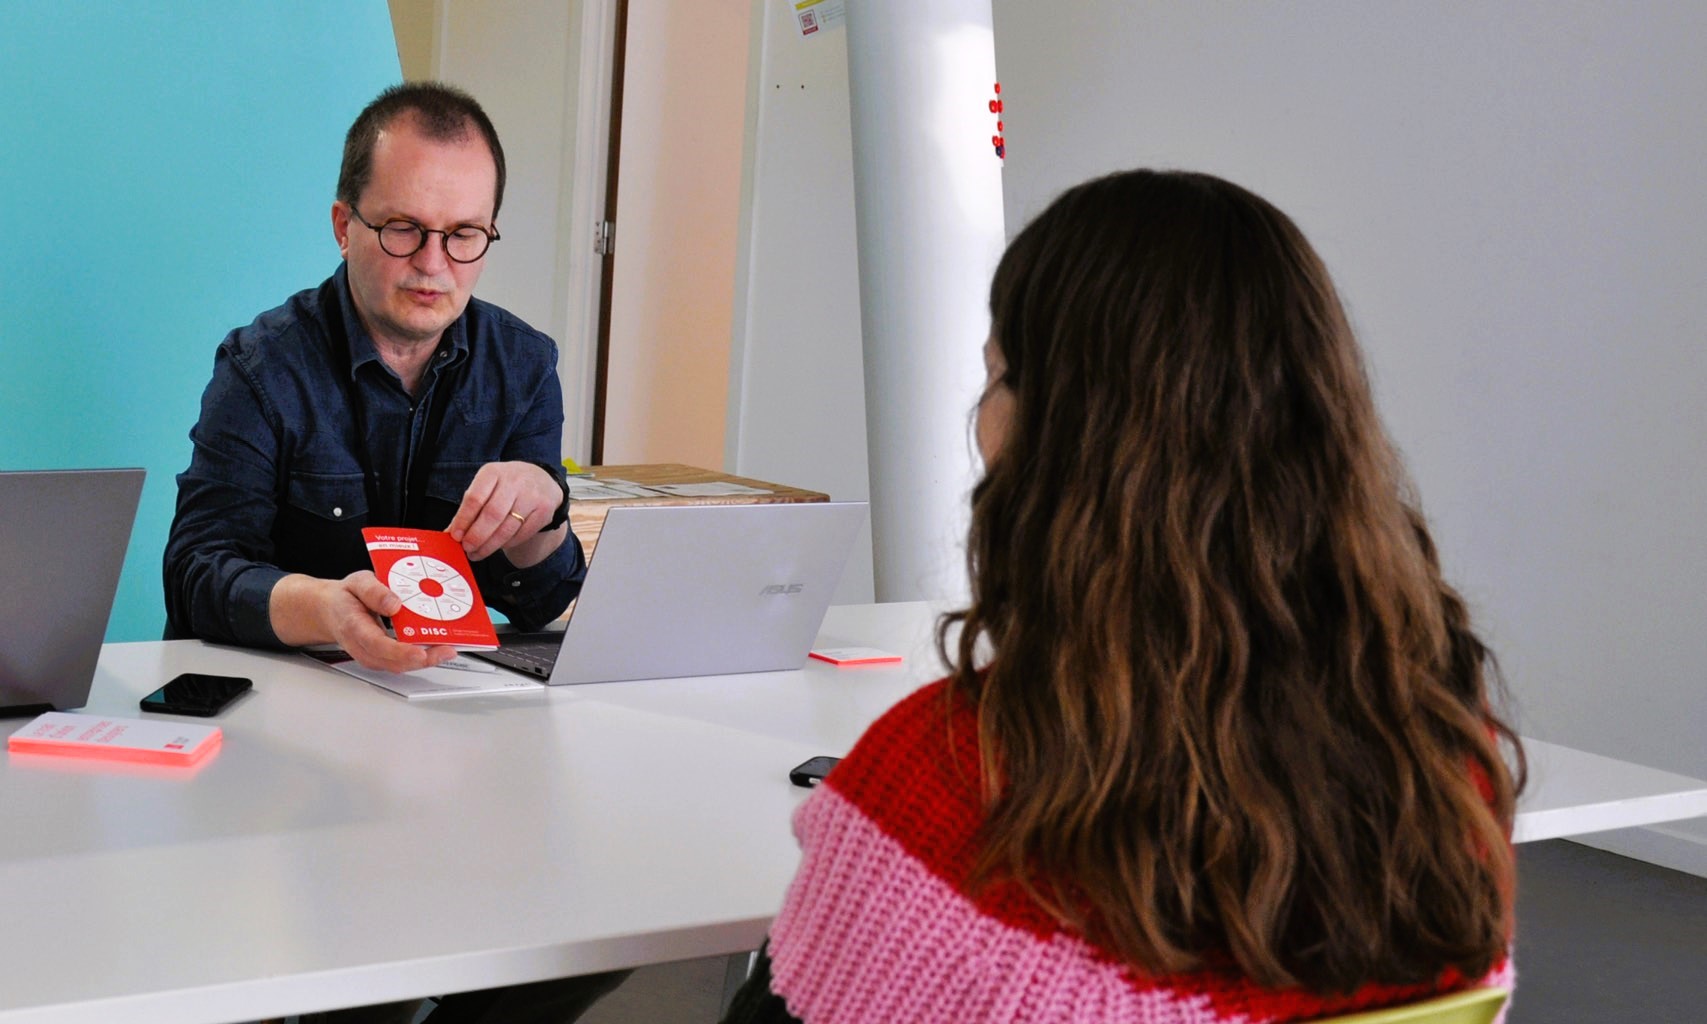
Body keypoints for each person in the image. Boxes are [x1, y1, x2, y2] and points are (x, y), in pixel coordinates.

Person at [722, 170, 1525, 1023]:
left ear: (1063, 443)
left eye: (998, 379)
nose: (981, 416)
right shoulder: (1442, 766)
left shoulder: (947, 778)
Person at [164, 83, 624, 1023]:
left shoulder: (522, 364)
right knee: (361, 985)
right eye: (404, 229)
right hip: (283, 751)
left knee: (584, 937)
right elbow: (199, 569)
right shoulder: (261, 366)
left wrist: (543, 515)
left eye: (465, 235)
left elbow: (539, 604)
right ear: (343, 224)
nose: (435, 264)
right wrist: (324, 608)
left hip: (456, 745)